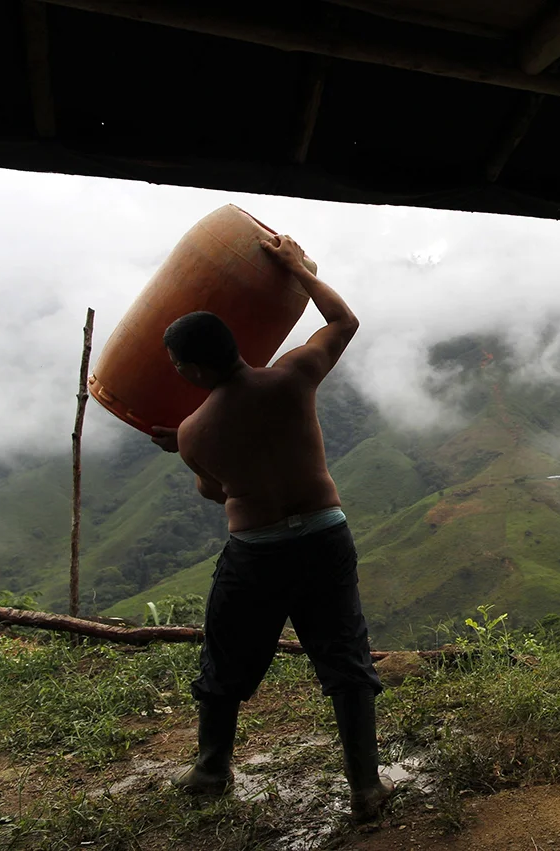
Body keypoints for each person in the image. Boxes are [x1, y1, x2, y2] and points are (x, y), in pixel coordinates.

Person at [150, 234, 393, 823]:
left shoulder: (193, 432)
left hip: (256, 552)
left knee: (226, 655)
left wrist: (186, 452)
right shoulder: (293, 375)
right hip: (325, 538)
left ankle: (211, 769)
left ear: (192, 369)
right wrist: (296, 269)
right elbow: (344, 320)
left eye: (179, 366)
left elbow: (216, 492)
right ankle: (365, 787)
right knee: (344, 656)